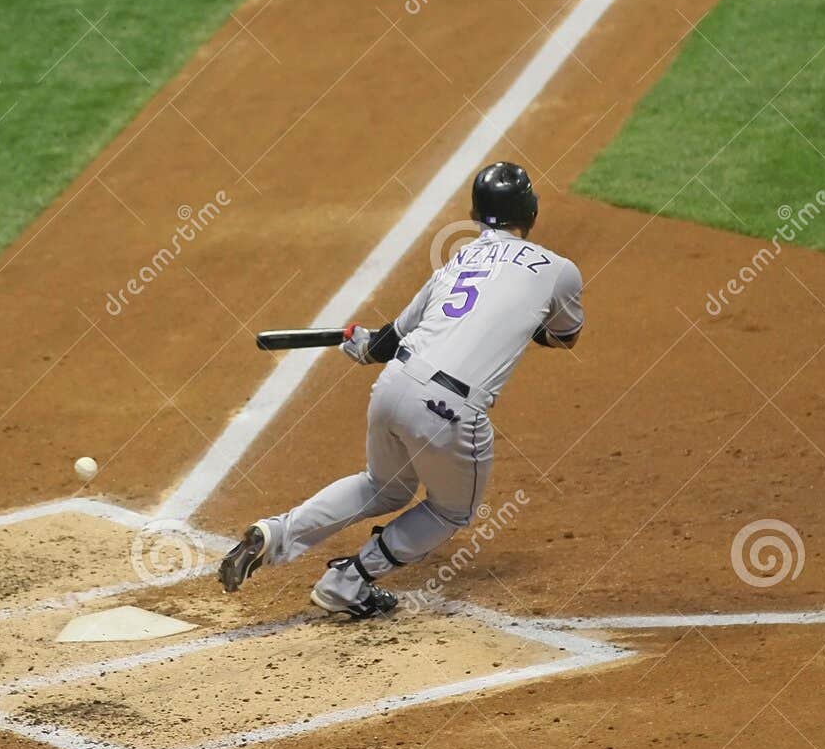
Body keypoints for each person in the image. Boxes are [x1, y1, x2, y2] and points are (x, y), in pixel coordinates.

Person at [219, 162, 582, 617]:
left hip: (393, 385)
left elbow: (385, 344)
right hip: (449, 410)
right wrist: (521, 317)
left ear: (475, 212)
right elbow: (563, 335)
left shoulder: (459, 260)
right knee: (451, 511)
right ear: (529, 209)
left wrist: (360, 343)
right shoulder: (558, 269)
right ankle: (347, 582)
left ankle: (274, 534)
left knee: (382, 486)